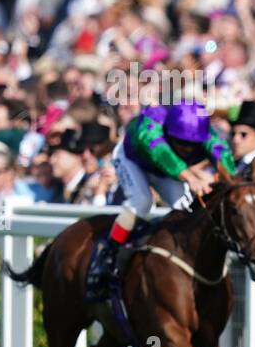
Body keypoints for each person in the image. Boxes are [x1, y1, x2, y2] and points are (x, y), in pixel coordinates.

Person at [92, 102, 235, 300]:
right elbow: (162, 154)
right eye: (182, 142)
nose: (187, 149)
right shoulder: (152, 124)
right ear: (168, 132)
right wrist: (191, 178)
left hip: (165, 171)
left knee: (185, 207)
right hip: (132, 160)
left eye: (193, 144)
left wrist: (230, 181)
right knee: (142, 202)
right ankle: (106, 254)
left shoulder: (209, 135)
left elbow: (224, 157)